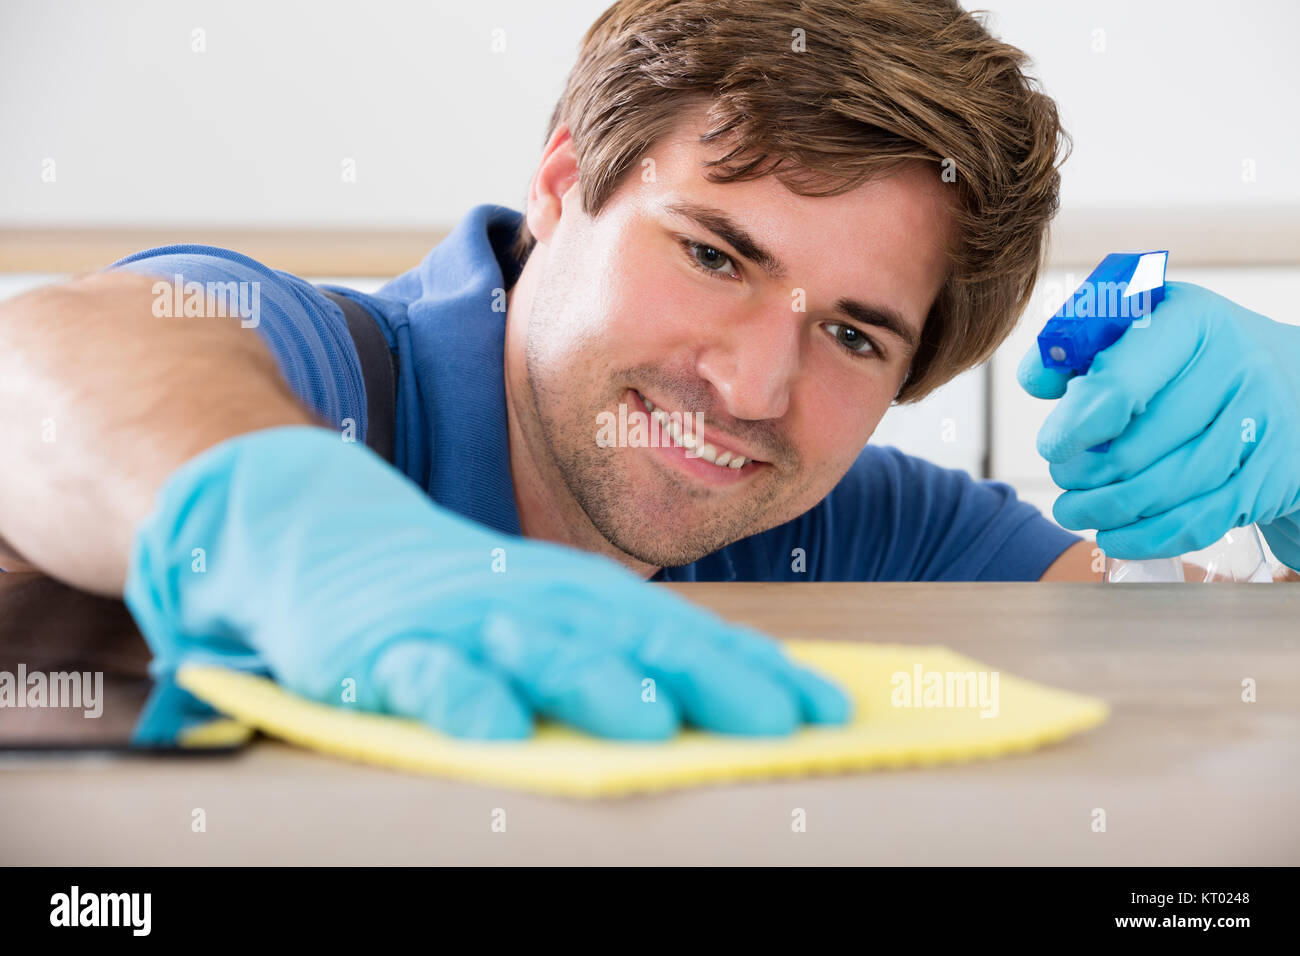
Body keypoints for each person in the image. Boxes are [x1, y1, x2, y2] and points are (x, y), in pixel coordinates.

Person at [2, 0, 1297, 741]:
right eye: (716, 254)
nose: (750, 387)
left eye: (853, 333)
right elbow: (53, 362)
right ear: (564, 185)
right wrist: (290, 527)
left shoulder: (847, 527)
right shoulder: (322, 381)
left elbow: (1216, 666)